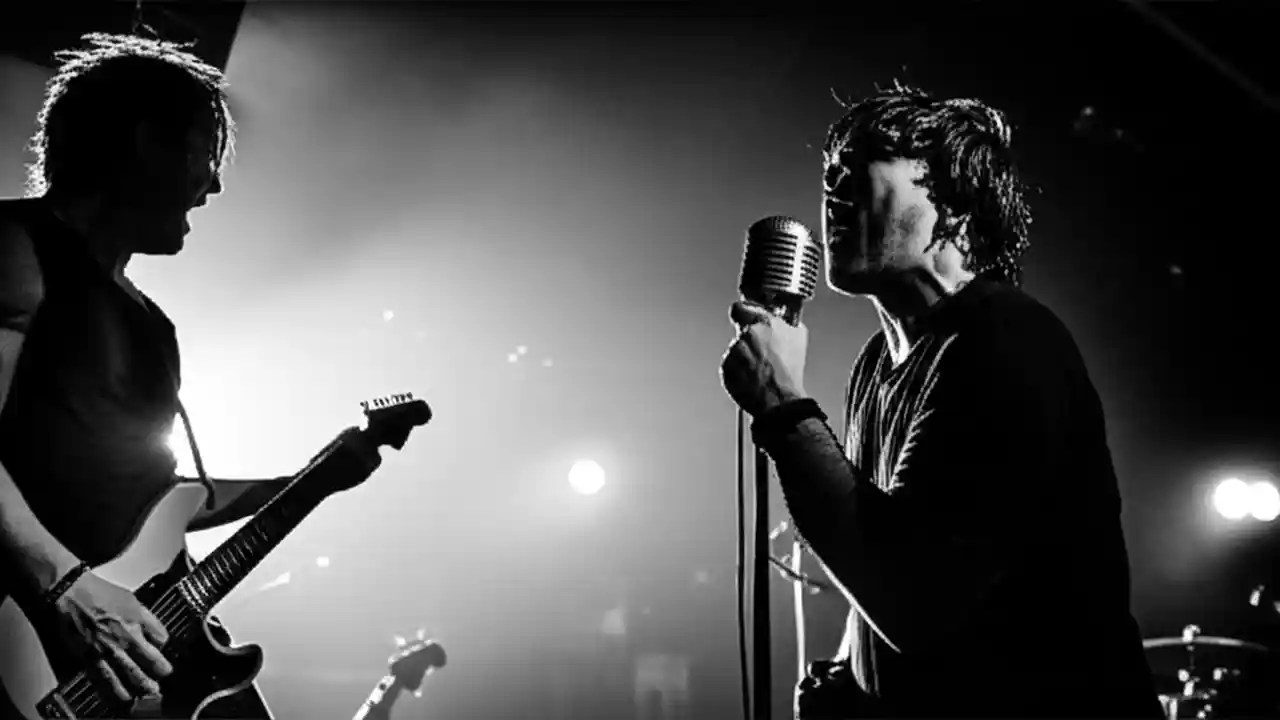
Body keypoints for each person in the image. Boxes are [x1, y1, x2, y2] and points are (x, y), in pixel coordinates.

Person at [719, 82, 1162, 717]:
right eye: (829, 170)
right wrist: (852, 675)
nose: (834, 184)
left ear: (953, 205)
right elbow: (885, 538)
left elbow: (915, 600)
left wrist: (784, 409)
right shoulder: (876, 365)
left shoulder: (1004, 342)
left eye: (864, 160)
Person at [0, 33, 285, 717]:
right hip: (29, 626)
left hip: (115, 647)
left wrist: (316, 476)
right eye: (203, 154)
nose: (212, 185)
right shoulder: (15, 249)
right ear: (144, 140)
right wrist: (64, 589)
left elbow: (156, 499)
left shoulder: (154, 326)